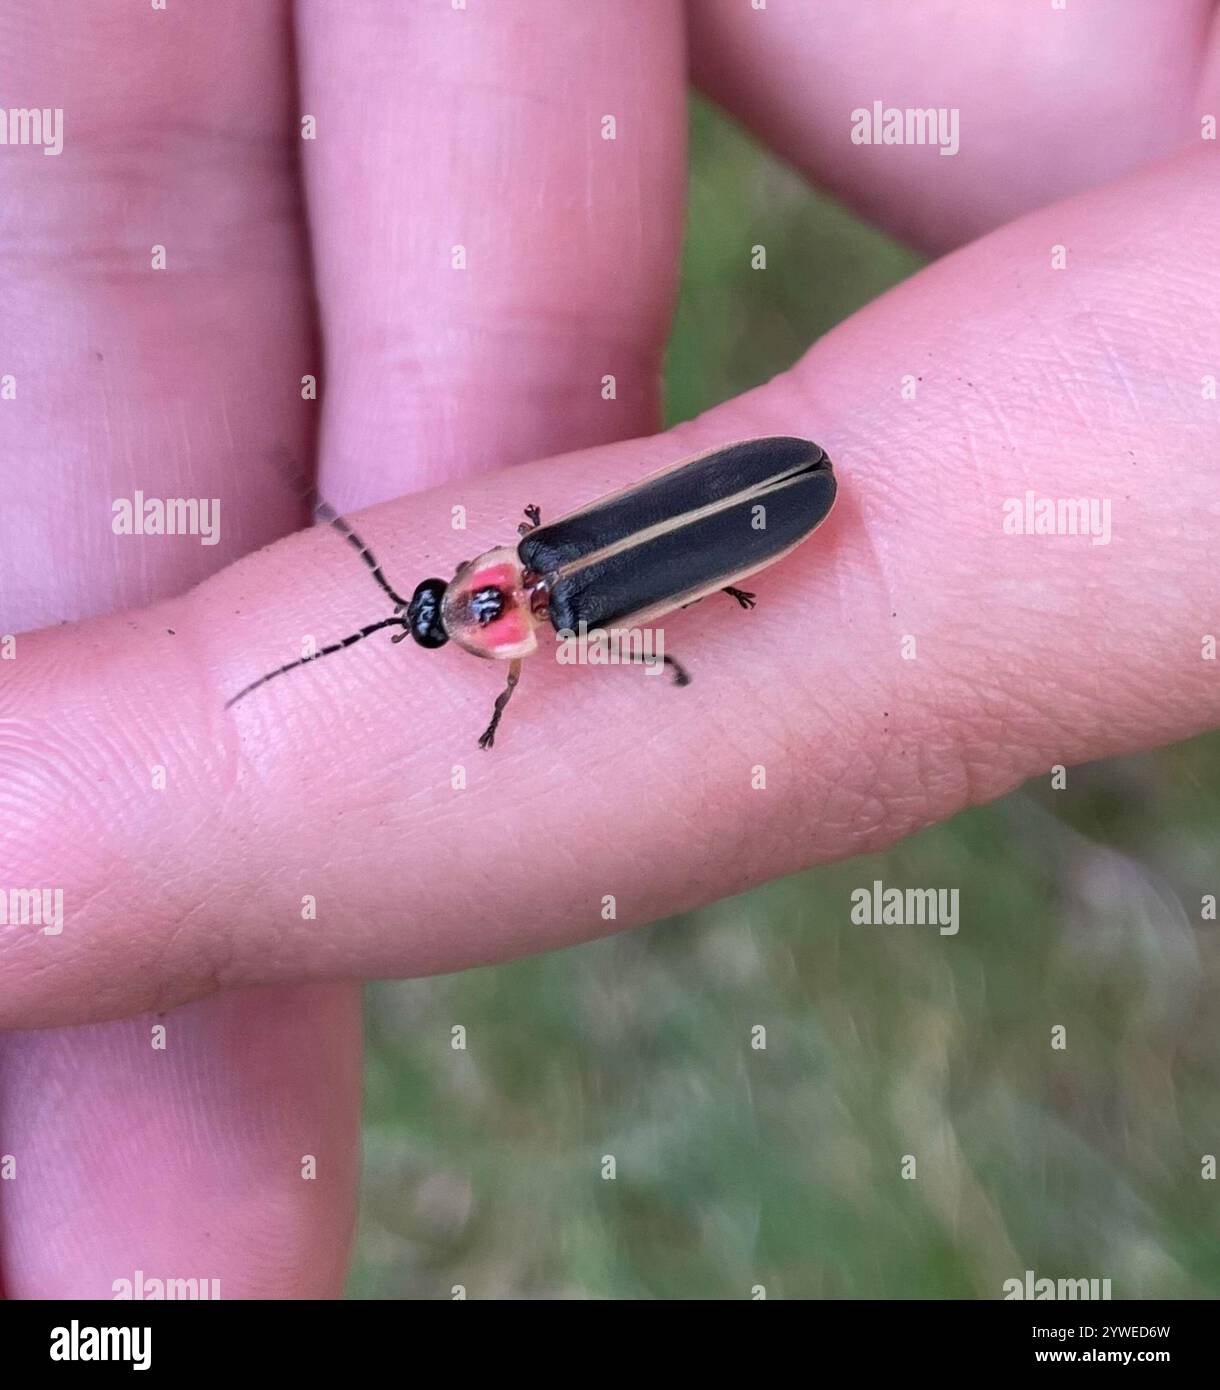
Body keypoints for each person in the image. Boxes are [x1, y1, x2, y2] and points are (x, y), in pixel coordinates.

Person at [1, 0, 1216, 1297]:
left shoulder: (540, 619)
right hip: (708, 526)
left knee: (656, 610)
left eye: (441, 612)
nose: (444, 621)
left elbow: (606, 643)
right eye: (439, 615)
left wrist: (586, 670)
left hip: (742, 515)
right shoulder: (526, 587)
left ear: (480, 606)